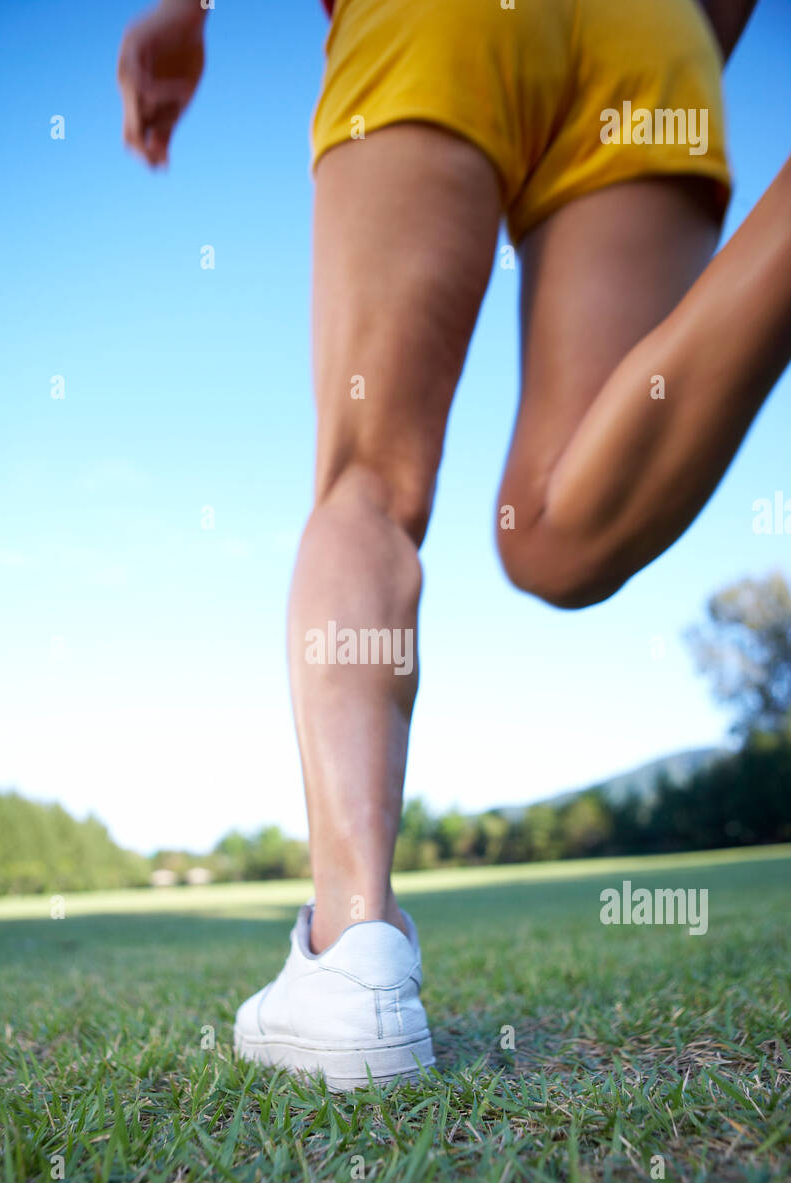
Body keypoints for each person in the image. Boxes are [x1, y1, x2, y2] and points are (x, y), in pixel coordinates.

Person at [118, 0, 791, 1089]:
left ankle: (351, 950)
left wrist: (182, 11)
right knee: (555, 538)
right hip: (653, 34)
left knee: (365, 485)